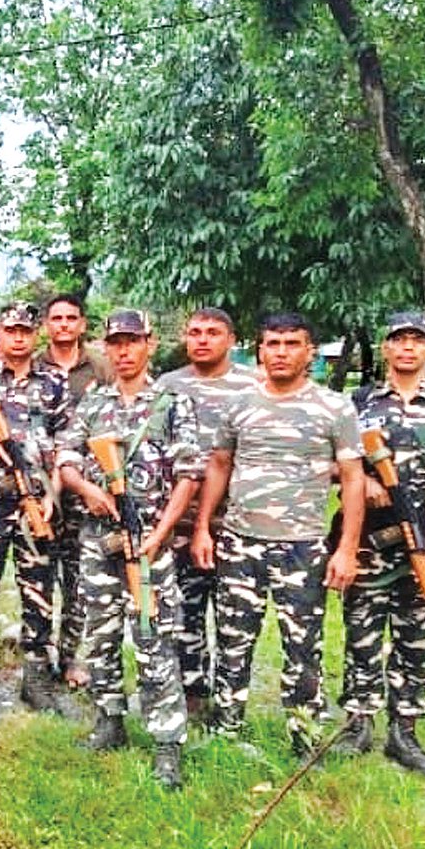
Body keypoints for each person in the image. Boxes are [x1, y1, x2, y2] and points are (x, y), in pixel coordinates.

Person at [192, 312, 364, 755]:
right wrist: (202, 529)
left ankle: (304, 735)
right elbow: (219, 465)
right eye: (273, 344)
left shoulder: (334, 407)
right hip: (239, 542)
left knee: (303, 647)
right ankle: (226, 730)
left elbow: (352, 478)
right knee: (233, 640)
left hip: (302, 548)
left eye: (292, 344)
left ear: (310, 351)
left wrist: (346, 549)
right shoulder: (240, 404)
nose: (281, 353)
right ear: (259, 349)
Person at [58, 309, 201, 787]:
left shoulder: (172, 403)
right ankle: (110, 721)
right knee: (98, 638)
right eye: (115, 342)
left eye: (132, 341)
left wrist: (159, 535)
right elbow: (66, 459)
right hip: (99, 542)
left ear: (149, 344)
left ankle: (166, 742)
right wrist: (88, 491)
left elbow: (187, 476)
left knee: (154, 639)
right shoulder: (93, 402)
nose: (123, 351)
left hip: (149, 545)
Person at [335, 311, 425, 777]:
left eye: (417, 339)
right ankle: (358, 724)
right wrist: (366, 481)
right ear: (387, 347)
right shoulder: (359, 402)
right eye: (399, 339)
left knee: (415, 637)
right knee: (362, 633)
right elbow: (337, 463)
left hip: (423, 541)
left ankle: (405, 731)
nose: (408, 347)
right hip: (372, 541)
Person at [0, 301, 70, 715]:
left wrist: (51, 497)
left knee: (38, 591)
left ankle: (36, 678)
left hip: (36, 501)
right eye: (11, 331)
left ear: (35, 334)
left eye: (25, 330)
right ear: (0, 334)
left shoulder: (54, 383)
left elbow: (66, 446)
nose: (19, 337)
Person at [160, 308, 257, 722]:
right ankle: (192, 696)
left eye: (213, 333)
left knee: (235, 618)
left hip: (235, 522)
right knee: (186, 616)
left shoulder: (253, 386)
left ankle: (230, 705)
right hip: (181, 522)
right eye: (195, 333)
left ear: (231, 340)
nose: (202, 340)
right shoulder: (167, 386)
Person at [34, 293, 112, 689]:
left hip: (85, 489)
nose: (63, 324)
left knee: (81, 578)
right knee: (39, 575)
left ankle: (72, 658)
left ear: (82, 324)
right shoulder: (32, 367)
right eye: (56, 318)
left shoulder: (102, 367)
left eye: (71, 318)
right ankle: (38, 655)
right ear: (47, 325)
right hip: (41, 490)